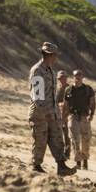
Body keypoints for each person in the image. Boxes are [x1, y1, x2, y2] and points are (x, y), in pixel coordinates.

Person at [28, 42, 75, 176]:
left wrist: (55, 113)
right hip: (39, 113)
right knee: (40, 140)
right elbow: (37, 96)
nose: (56, 58)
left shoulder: (50, 70)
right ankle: (36, 166)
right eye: (55, 55)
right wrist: (45, 112)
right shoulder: (37, 70)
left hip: (52, 112)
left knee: (56, 138)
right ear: (49, 55)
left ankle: (62, 166)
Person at [63, 69, 96, 171]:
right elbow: (66, 105)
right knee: (74, 140)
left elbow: (93, 103)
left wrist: (92, 114)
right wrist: (64, 118)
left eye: (79, 76)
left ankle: (85, 160)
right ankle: (78, 161)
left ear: (83, 77)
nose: (78, 78)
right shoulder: (68, 90)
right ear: (73, 77)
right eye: (76, 76)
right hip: (73, 116)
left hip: (84, 117)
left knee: (86, 140)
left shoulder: (88, 89)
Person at [56, 70, 72, 161]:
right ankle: (60, 151)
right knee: (58, 134)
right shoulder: (57, 88)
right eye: (61, 78)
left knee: (67, 135)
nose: (62, 79)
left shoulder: (69, 89)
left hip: (67, 114)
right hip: (58, 114)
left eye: (64, 78)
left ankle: (67, 153)